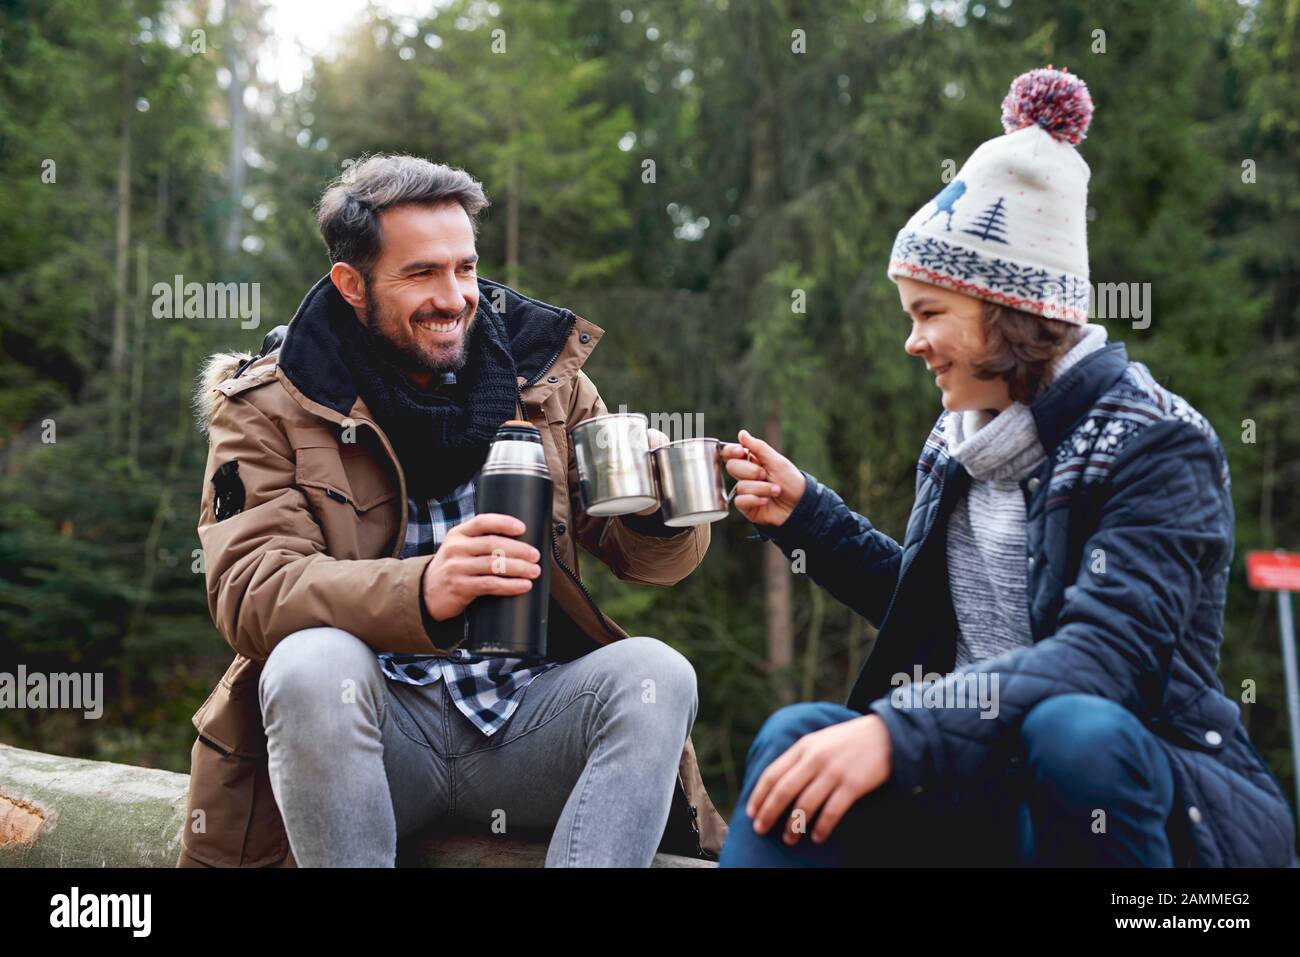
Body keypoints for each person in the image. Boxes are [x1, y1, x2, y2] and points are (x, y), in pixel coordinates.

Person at [718, 68, 1295, 867]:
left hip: (1139, 794)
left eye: (929, 315)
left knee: (1076, 732)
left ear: (1011, 311)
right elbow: (947, 614)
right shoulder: (962, 434)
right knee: (797, 740)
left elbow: (1103, 661)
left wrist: (899, 728)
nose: (912, 343)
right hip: (988, 772)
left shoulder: (1160, 443)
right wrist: (809, 517)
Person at [178, 154, 727, 868]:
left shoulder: (545, 378)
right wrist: (423, 590)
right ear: (353, 284)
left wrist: (659, 508)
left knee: (658, 673)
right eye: (421, 273)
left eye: (464, 268)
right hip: (373, 738)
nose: (455, 296)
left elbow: (640, 559)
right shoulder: (269, 405)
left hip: (527, 729)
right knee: (310, 664)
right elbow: (249, 591)